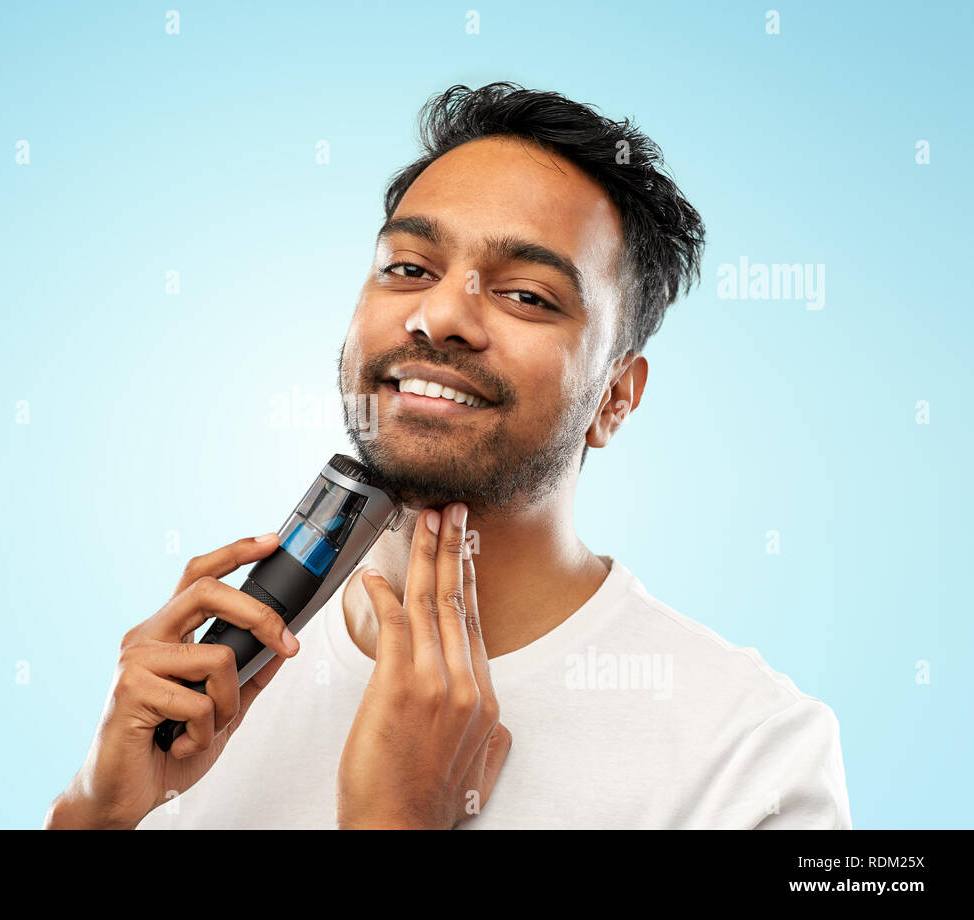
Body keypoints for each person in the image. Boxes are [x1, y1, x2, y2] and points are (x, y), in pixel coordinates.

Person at [44, 82, 851, 830]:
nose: (438, 315)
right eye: (408, 268)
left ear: (615, 397)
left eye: (526, 295)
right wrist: (94, 814)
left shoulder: (752, 752)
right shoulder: (203, 690)